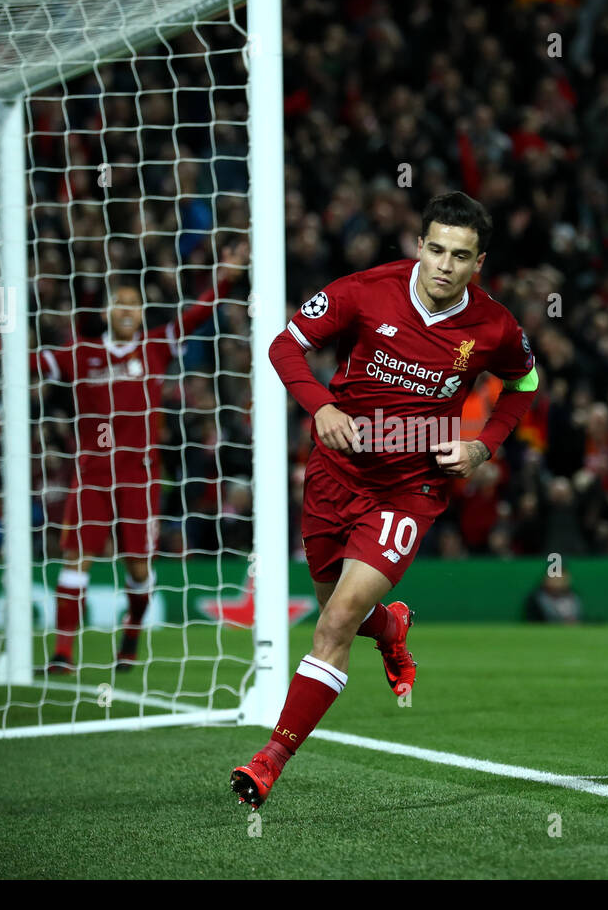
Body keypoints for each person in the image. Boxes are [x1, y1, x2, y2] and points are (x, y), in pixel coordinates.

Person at [231, 192, 539, 808]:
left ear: (479, 263)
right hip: (334, 475)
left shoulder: (494, 325)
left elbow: (524, 382)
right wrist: (321, 406)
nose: (445, 265)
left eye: (460, 255)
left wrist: (484, 447)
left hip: (411, 488)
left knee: (334, 622)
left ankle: (271, 759)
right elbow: (283, 346)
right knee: (333, 606)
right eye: (435, 249)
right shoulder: (364, 291)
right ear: (418, 245)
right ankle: (392, 627)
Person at [0, 242, 246, 671]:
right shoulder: (81, 353)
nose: (126, 311)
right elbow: (28, 363)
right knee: (74, 561)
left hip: (139, 478)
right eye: (118, 303)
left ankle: (131, 636)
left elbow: (195, 315)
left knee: (138, 568)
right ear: (106, 312)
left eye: (133, 305)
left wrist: (225, 276)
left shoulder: (156, 346)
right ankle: (62, 654)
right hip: (92, 476)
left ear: (140, 314)